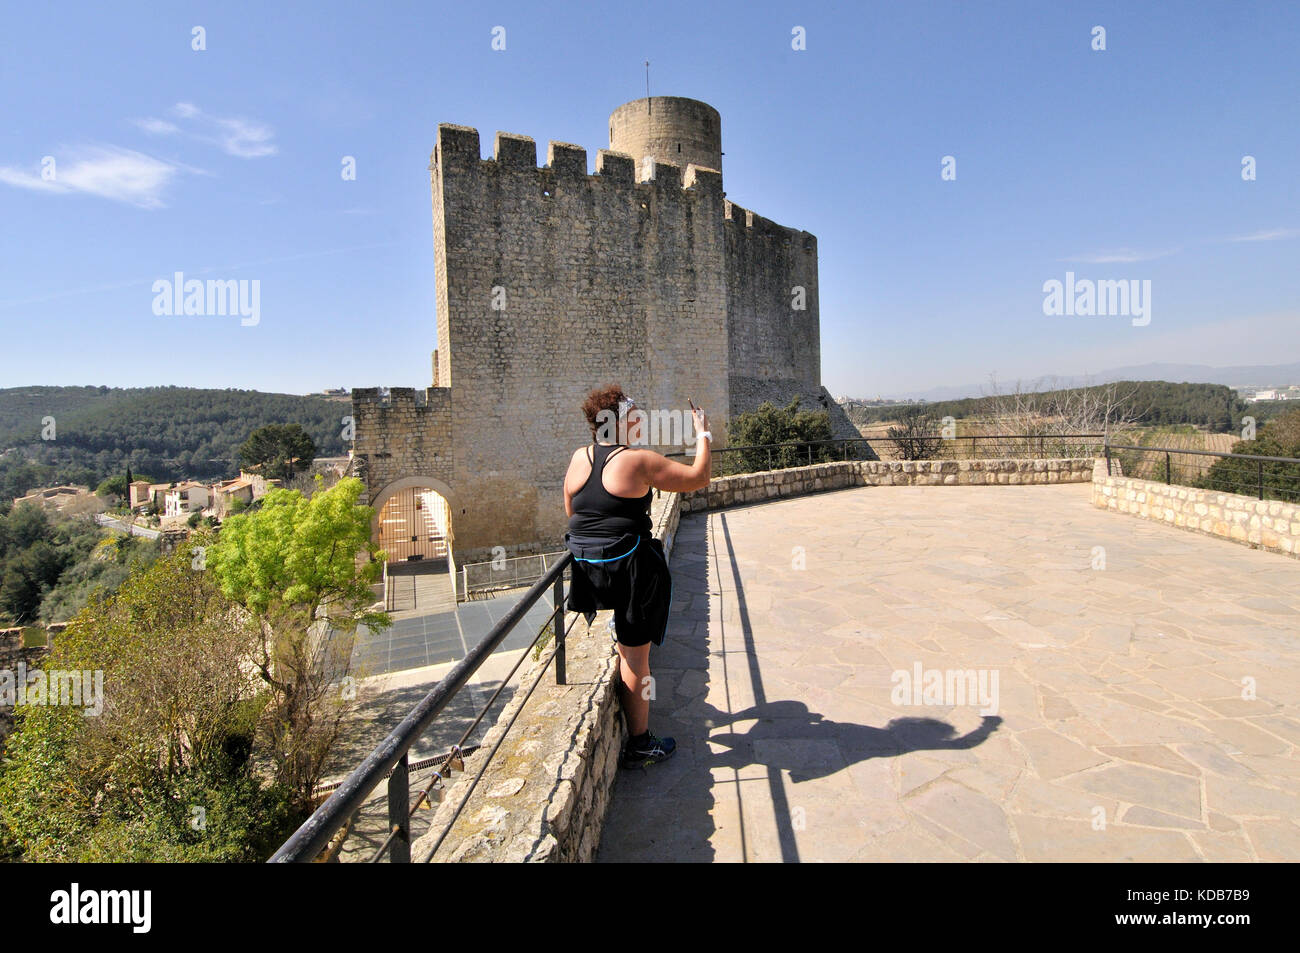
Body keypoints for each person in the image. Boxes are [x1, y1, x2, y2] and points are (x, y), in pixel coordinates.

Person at [562, 384, 712, 768]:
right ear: (617, 422)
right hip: (629, 572)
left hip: (588, 572)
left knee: (629, 648)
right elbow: (698, 477)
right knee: (635, 658)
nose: (640, 419)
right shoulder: (637, 461)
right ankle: (641, 742)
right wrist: (703, 435)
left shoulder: (579, 457)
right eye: (634, 415)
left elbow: (572, 511)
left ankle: (620, 630)